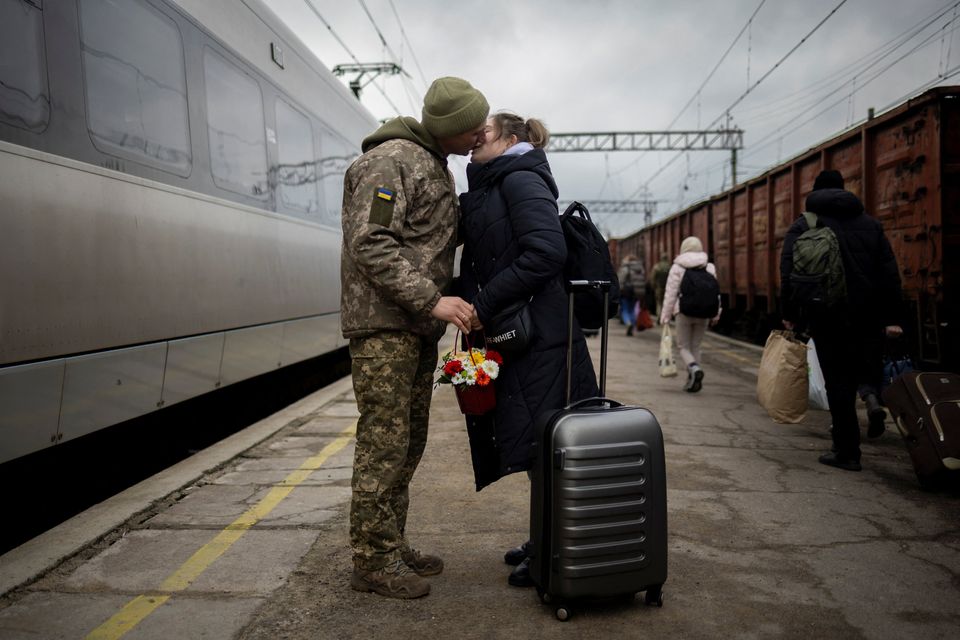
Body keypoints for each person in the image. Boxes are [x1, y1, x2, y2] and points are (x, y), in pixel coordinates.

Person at [340, 76, 489, 599]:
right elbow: (370, 242)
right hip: (385, 325)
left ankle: (389, 542)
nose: (478, 134)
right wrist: (432, 300)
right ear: (449, 127)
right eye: (472, 127)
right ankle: (371, 561)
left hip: (413, 326)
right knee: (384, 441)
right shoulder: (392, 160)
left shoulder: (435, 165)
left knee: (407, 440)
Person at [455, 112, 599, 587]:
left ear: (512, 139)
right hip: (524, 334)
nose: (476, 140)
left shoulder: (520, 180)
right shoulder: (498, 183)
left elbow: (546, 252)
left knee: (548, 444)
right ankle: (545, 539)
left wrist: (483, 303)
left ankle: (554, 551)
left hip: (542, 335)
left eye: (486, 133)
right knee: (540, 444)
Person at [780, 169, 903, 472]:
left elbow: (789, 273)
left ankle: (847, 450)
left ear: (815, 192)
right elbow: (889, 275)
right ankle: (872, 397)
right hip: (868, 314)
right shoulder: (871, 225)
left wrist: (790, 314)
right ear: (844, 190)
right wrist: (892, 317)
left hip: (826, 314)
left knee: (837, 381)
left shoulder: (804, 224)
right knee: (866, 365)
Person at [659, 237, 721, 392]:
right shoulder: (709, 266)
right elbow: (715, 293)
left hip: (683, 312)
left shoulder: (677, 267)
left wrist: (665, 316)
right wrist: (716, 314)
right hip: (704, 313)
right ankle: (691, 378)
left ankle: (694, 369)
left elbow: (670, 294)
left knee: (683, 346)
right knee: (696, 346)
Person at [617, 254, 646, 335]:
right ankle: (632, 326)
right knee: (632, 310)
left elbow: (620, 281)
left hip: (626, 292)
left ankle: (628, 323)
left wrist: (618, 291)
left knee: (625, 309)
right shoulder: (640, 269)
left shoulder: (625, 268)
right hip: (636, 292)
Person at [652, 253, 671, 322]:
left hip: (659, 287)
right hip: (668, 288)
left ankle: (659, 316)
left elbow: (653, 278)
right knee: (666, 302)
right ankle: (666, 317)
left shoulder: (657, 266)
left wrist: (654, 286)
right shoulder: (670, 267)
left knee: (659, 303)